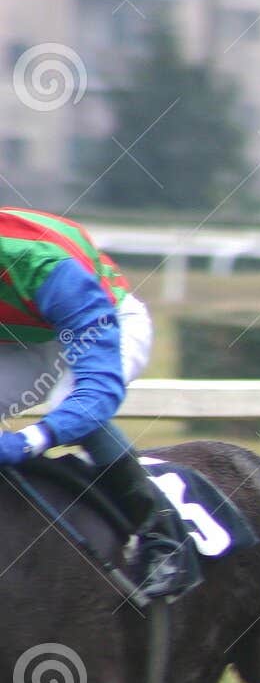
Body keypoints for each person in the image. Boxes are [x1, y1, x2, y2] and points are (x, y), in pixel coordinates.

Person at [0, 207, 197, 598]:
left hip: (103, 319)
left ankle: (161, 534)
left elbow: (96, 392)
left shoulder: (41, 263)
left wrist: (29, 441)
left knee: (69, 404)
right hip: (19, 334)